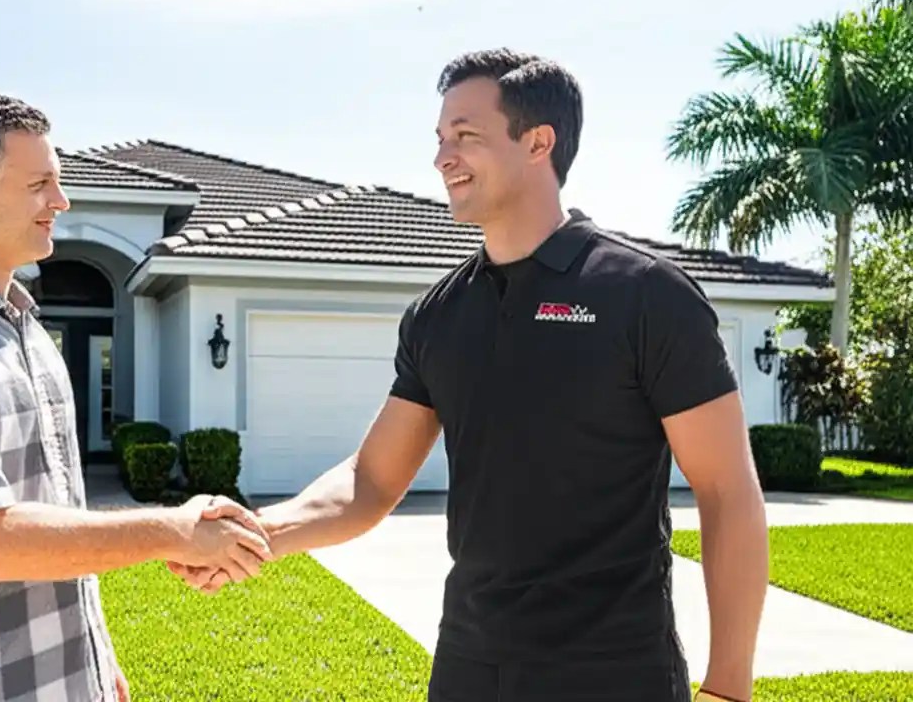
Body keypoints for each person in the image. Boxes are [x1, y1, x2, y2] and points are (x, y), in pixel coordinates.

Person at [171, 49, 770, 702]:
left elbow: (726, 490)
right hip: (469, 666)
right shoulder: (440, 313)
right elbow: (370, 480)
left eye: (466, 136)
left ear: (539, 141)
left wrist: (730, 686)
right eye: (440, 139)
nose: (442, 158)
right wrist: (256, 534)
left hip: (614, 670)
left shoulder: (647, 295)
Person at [0, 91, 272, 702]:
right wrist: (174, 529)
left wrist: (97, 656)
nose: (60, 201)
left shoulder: (27, 333)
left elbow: (53, 509)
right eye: (40, 183)